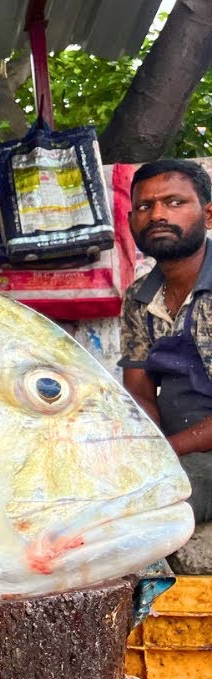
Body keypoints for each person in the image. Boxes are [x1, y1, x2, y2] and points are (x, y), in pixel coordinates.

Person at [119, 159, 212, 523]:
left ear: (208, 215)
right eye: (145, 206)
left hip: (189, 453)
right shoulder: (139, 297)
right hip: (176, 447)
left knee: (154, 507)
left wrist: (164, 454)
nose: (158, 214)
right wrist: (141, 450)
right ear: (130, 223)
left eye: (174, 202)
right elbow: (140, 392)